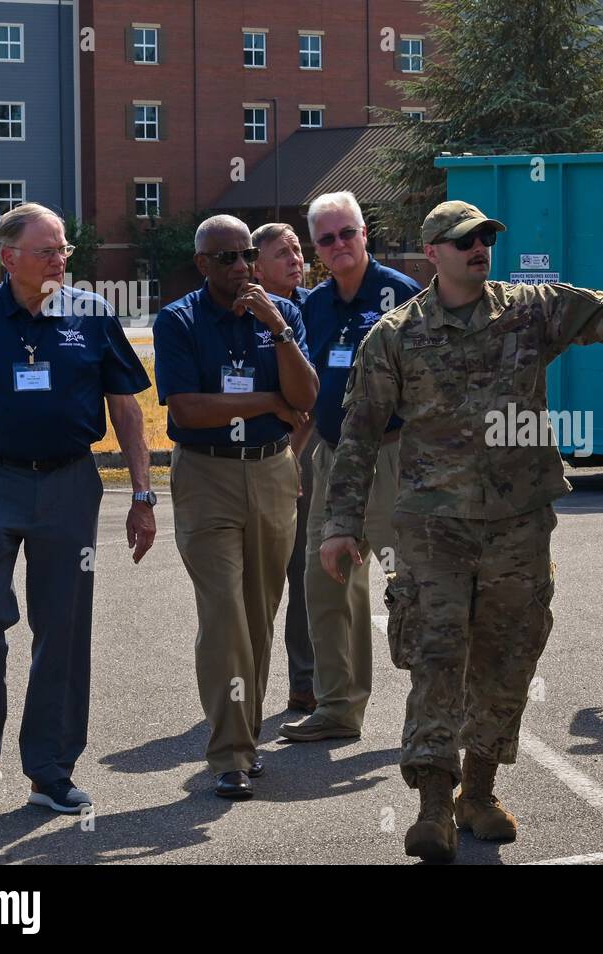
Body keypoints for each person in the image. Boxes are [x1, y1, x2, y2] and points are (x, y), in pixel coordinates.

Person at [318, 200, 603, 861]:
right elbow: (360, 435)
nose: (479, 248)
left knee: (510, 656)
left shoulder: (531, 308)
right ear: (433, 254)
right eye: (463, 241)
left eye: (485, 238)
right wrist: (341, 523)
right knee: (437, 655)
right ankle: (431, 806)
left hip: (518, 521)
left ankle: (477, 792)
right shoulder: (394, 336)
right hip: (433, 526)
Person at [0, 202, 155, 817]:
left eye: (64, 250)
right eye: (47, 250)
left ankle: (49, 770)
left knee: (63, 628)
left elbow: (127, 409)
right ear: (9, 257)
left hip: (71, 486)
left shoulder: (92, 314)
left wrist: (142, 493)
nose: (60, 260)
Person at [153, 214, 318, 800]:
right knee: (223, 612)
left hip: (273, 471)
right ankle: (229, 754)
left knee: (258, 613)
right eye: (227, 258)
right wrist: (267, 400)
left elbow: (307, 399)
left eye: (248, 255)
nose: (243, 267)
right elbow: (186, 411)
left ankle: (244, 739)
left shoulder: (284, 314)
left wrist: (280, 332)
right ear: (203, 264)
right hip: (207, 475)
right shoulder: (178, 320)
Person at [279, 192, 420, 743]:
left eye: (348, 234)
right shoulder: (312, 305)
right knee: (326, 581)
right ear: (316, 248)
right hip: (333, 456)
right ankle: (339, 707)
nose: (339, 245)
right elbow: (306, 391)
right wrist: (294, 453)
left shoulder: (400, 294)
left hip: (392, 454)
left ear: (366, 235)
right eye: (327, 239)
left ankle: (431, 708)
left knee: (409, 580)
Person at [249, 222, 317, 714]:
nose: (296, 259)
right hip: (252, 462)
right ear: (255, 263)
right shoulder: (236, 316)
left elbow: (307, 400)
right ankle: (245, 687)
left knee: (305, 573)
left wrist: (293, 452)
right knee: (256, 579)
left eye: (297, 250)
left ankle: (306, 681)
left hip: (304, 455)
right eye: (282, 252)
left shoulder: (308, 309)